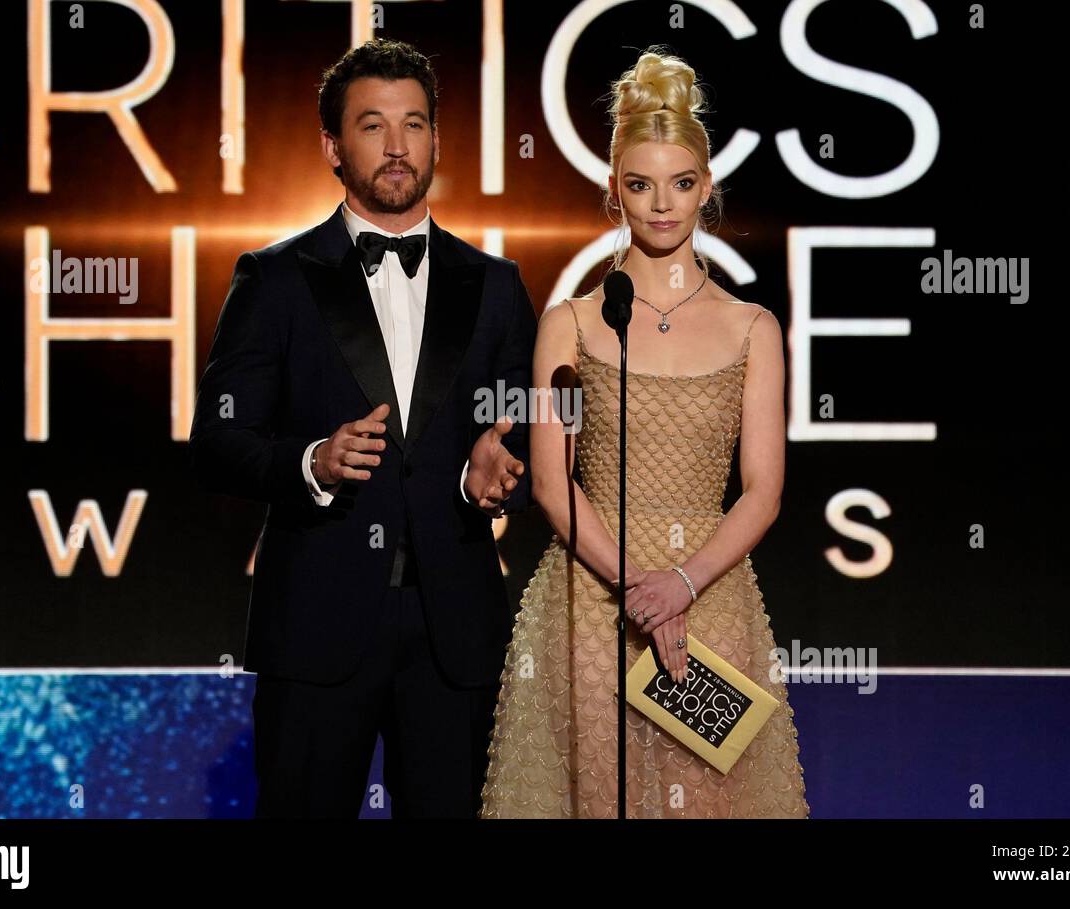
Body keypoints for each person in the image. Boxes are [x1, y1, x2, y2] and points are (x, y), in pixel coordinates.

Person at [189, 39, 537, 818]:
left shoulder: (496, 285)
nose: (396, 145)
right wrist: (312, 460)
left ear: (438, 140)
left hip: (456, 629)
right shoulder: (274, 278)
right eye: (372, 125)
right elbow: (215, 441)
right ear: (332, 147)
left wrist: (492, 474)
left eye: (414, 124)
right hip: (316, 623)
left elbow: (531, 436)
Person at [479, 48, 809, 818]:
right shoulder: (569, 324)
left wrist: (681, 586)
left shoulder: (752, 328)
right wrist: (639, 588)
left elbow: (763, 491)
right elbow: (554, 483)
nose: (662, 205)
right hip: (591, 603)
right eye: (640, 184)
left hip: (711, 598)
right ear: (613, 190)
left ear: (708, 187)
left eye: (682, 183)